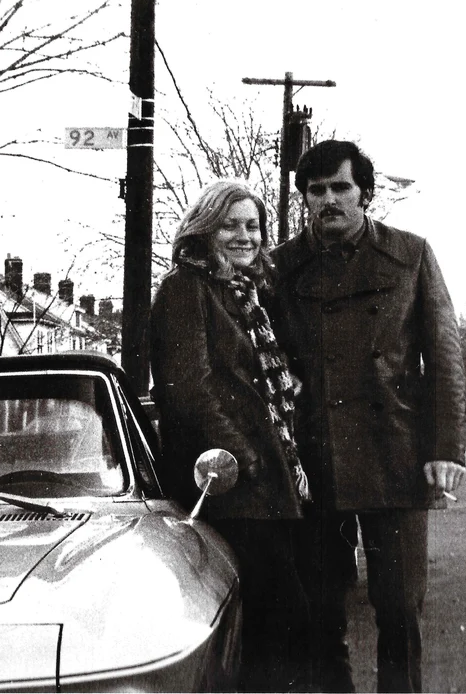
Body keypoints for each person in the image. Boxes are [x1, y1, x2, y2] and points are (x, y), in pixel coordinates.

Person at [270, 140, 466, 693]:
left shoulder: (410, 254)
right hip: (314, 463)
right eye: (316, 190)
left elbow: (445, 354)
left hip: (394, 457)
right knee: (320, 616)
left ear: (366, 195)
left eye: (341, 188)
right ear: (304, 198)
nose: (328, 200)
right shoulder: (281, 268)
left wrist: (446, 449)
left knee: (400, 611)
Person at [150, 180, 312, 693]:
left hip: (264, 477)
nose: (245, 236)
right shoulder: (185, 288)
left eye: (253, 225)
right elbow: (190, 388)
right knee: (278, 623)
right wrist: (245, 457)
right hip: (228, 481)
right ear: (204, 229)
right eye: (231, 225)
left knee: (276, 628)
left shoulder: (248, 294)